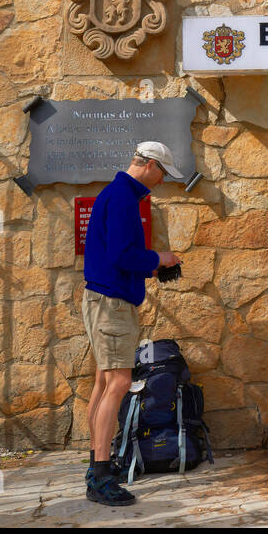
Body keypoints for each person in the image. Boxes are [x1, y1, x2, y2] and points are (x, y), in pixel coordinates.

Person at [81, 141, 183, 506]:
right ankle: (100, 475)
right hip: (112, 305)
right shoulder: (124, 197)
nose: (161, 182)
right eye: (162, 174)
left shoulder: (116, 193)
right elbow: (123, 254)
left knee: (103, 382)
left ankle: (98, 463)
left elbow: (118, 256)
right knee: (119, 382)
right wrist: (161, 256)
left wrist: (154, 267)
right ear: (150, 165)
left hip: (104, 298)